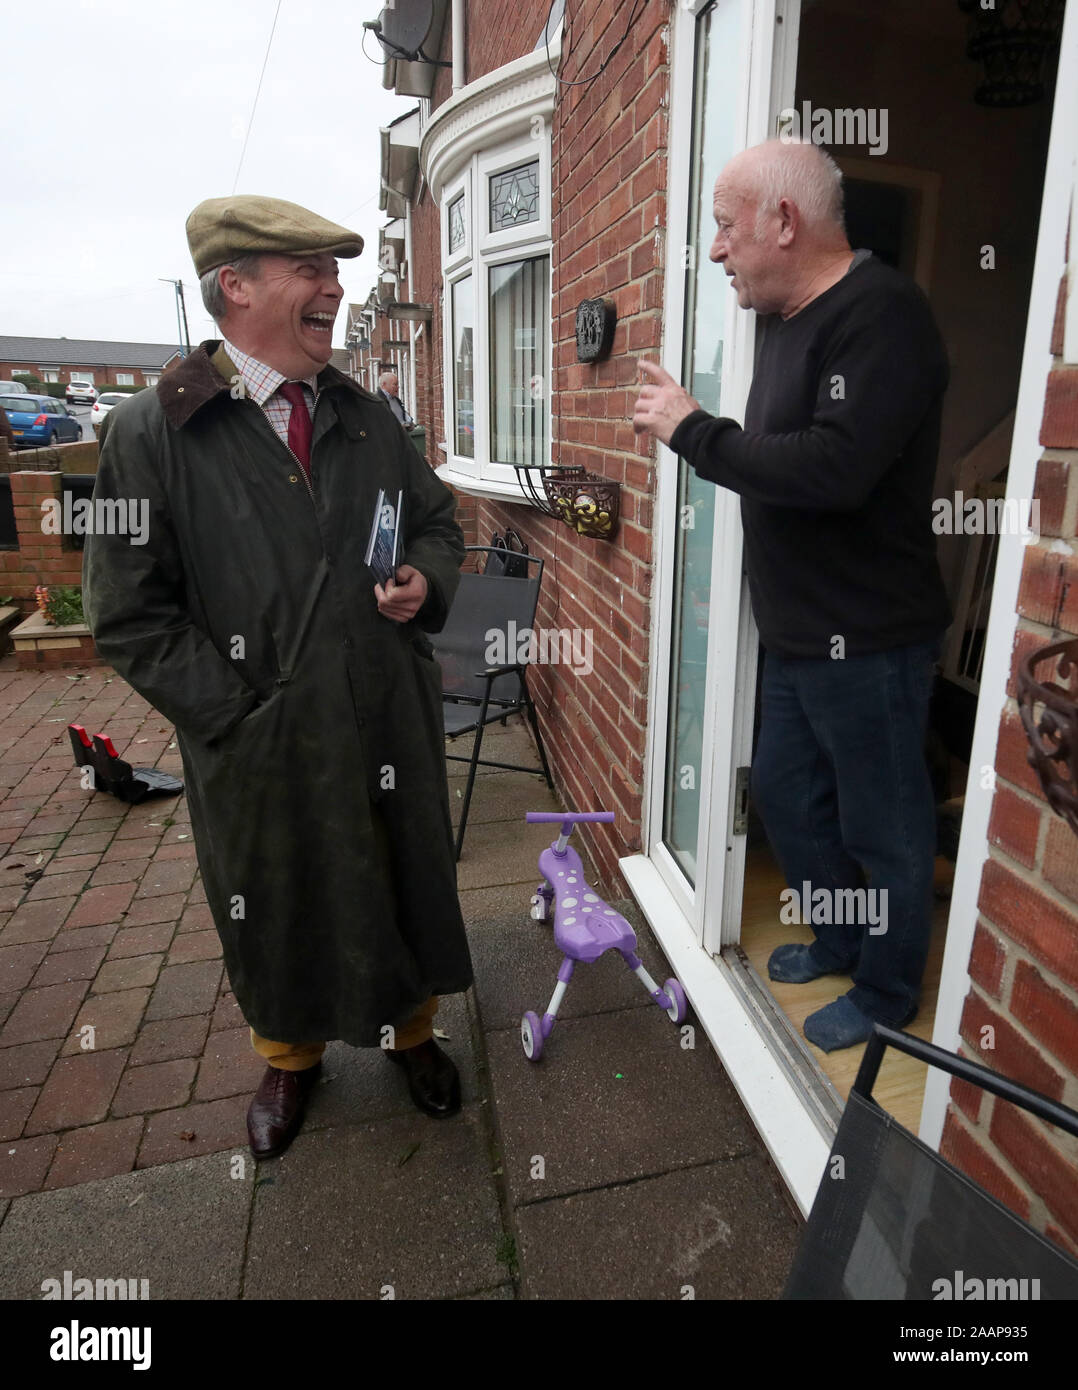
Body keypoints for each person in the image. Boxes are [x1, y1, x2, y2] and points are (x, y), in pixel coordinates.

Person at [83, 195, 473, 1156]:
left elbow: (435, 522)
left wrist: (429, 581)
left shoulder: (364, 412)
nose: (334, 286)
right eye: (309, 267)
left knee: (398, 877)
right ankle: (289, 1058)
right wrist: (242, 715)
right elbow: (128, 618)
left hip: (385, 715)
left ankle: (411, 1035)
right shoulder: (150, 433)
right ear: (237, 286)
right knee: (275, 896)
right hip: (259, 743)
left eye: (334, 269)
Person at [633, 139, 951, 1053]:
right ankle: (846, 938)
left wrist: (694, 430)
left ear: (785, 220)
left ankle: (889, 994)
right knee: (783, 793)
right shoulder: (782, 321)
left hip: (873, 635)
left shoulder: (882, 315)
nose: (719, 250)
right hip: (800, 631)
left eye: (728, 228)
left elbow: (834, 469)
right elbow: (777, 464)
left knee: (881, 822)